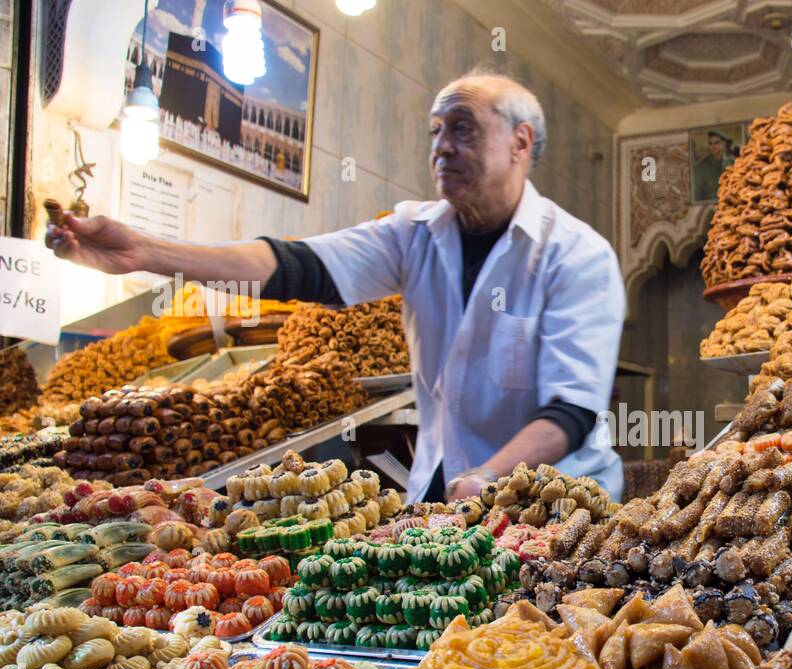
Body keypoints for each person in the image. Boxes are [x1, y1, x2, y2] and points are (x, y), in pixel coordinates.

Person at [46, 70, 625, 502]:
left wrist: (486, 478)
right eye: (435, 131)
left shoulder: (575, 256)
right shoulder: (415, 233)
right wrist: (146, 252)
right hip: (449, 488)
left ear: (520, 142)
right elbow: (301, 266)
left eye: (463, 129)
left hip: (556, 502)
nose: (441, 147)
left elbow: (569, 412)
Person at [692, 131, 734, 202]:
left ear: (723, 144)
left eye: (716, 143)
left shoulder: (732, 162)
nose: (713, 146)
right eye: (710, 143)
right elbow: (697, 194)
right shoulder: (702, 166)